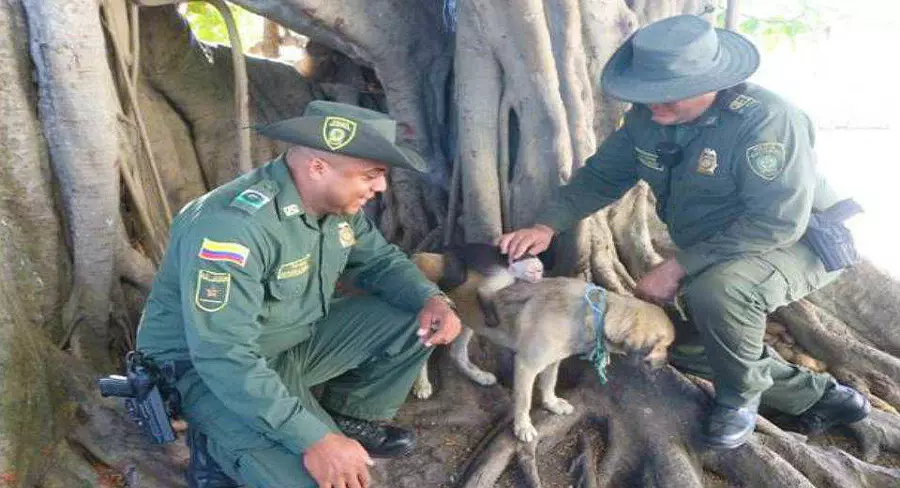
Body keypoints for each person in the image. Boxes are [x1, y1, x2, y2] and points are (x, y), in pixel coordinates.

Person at [497, 14, 869, 450]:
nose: (655, 106)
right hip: (719, 248)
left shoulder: (766, 123)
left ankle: (738, 400)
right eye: (647, 93)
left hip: (799, 241)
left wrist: (677, 267)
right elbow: (601, 178)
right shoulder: (647, 119)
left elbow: (776, 221)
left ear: (711, 81)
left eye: (668, 96)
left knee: (722, 292)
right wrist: (547, 224)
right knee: (676, 340)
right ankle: (821, 398)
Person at [135, 101, 462, 487]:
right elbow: (223, 356)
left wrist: (433, 299)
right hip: (208, 374)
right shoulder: (232, 229)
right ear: (318, 167)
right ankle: (215, 444)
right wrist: (315, 439)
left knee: (415, 317)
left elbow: (381, 262)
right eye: (371, 175)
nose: (381, 187)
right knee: (324, 481)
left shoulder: (335, 204)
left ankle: (345, 416)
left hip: (288, 347)